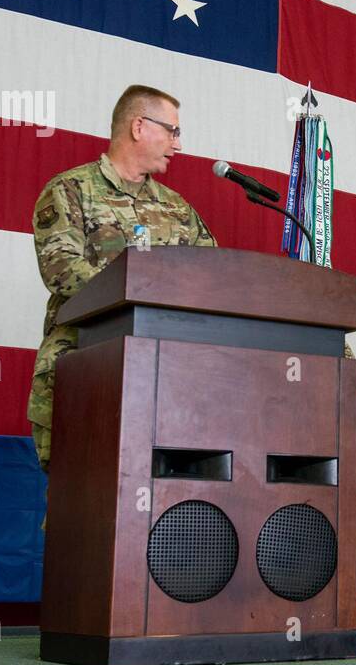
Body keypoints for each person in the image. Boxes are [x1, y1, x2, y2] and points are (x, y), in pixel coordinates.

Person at [27, 85, 216, 472]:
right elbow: (61, 270)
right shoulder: (70, 190)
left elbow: (213, 280)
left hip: (165, 376)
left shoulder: (177, 208)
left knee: (160, 493)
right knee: (79, 500)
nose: (178, 144)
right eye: (172, 131)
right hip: (86, 366)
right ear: (139, 126)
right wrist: (141, 292)